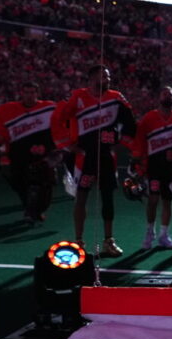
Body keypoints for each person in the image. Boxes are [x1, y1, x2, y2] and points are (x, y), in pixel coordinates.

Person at [55, 64, 137, 256]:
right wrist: (67, 145)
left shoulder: (117, 98)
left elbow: (130, 123)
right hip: (84, 157)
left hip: (107, 157)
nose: (107, 80)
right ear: (91, 79)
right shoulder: (78, 97)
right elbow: (59, 118)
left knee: (108, 197)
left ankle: (109, 241)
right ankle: (79, 242)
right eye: (102, 77)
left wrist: (121, 144)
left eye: (108, 77)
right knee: (81, 196)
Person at [0, 81, 59, 223]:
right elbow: (0, 130)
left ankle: (36, 210)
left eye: (32, 93)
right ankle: (30, 211)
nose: (29, 96)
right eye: (27, 92)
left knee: (45, 186)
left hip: (44, 155)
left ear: (37, 94)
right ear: (21, 94)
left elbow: (61, 125)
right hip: (19, 155)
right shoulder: (8, 111)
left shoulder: (50, 108)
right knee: (21, 185)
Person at [134, 85, 172, 250]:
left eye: (171, 94)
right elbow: (140, 142)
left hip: (171, 167)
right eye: (165, 94)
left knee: (167, 200)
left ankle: (164, 235)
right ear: (159, 98)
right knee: (153, 200)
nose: (168, 97)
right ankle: (150, 233)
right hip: (154, 166)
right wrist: (138, 164)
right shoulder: (149, 118)